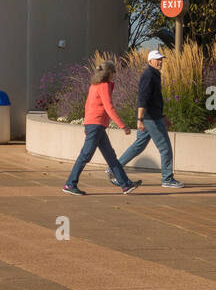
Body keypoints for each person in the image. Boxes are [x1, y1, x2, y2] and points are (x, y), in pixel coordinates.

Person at [109, 48, 185, 188]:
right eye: (157, 59)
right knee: (165, 148)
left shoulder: (155, 75)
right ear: (150, 61)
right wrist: (140, 119)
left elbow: (154, 100)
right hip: (151, 119)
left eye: (161, 59)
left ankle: (114, 169)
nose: (160, 61)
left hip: (153, 117)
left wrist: (163, 116)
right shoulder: (149, 75)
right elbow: (143, 98)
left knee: (138, 146)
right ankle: (167, 179)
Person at [63, 62, 141, 196]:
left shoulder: (95, 85)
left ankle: (125, 184)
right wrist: (123, 126)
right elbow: (109, 107)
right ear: (109, 73)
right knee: (85, 155)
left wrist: (86, 123)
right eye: (113, 72)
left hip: (95, 125)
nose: (114, 75)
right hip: (96, 125)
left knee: (110, 156)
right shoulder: (103, 86)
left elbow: (87, 105)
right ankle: (70, 184)